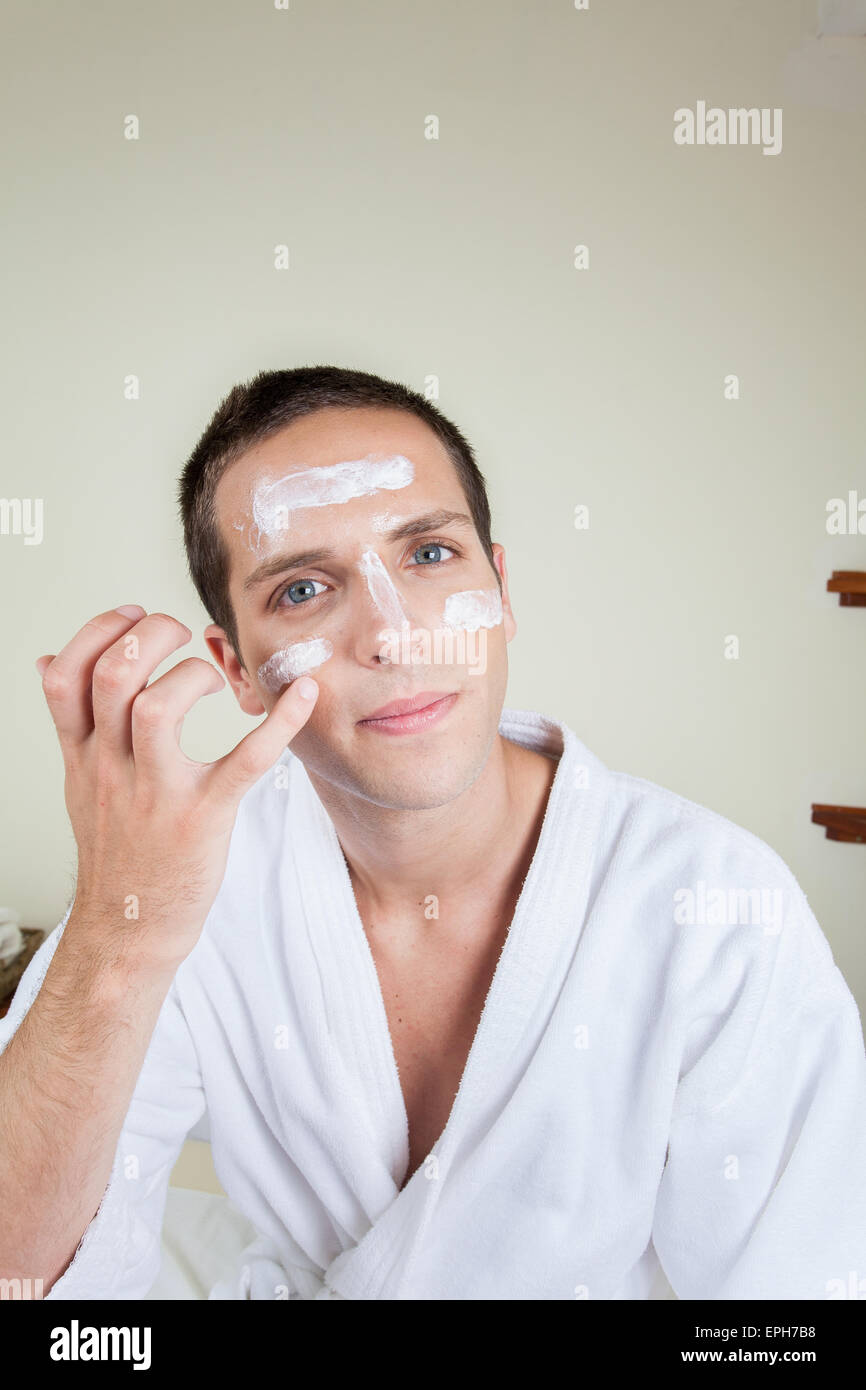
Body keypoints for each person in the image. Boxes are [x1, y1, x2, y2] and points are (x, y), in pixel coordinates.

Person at [1, 366, 864, 1301]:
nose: (394, 634)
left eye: (427, 556)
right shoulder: (182, 881)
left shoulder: (720, 908)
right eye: (302, 590)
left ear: (499, 588)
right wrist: (119, 939)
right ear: (237, 671)